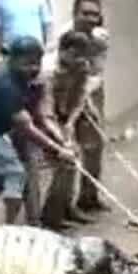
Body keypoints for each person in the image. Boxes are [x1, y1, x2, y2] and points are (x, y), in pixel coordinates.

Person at [0, 36, 77, 230]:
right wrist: (58, 151)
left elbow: (40, 116)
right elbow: (26, 128)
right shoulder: (5, 85)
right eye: (27, 63)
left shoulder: (23, 79)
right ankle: (9, 231)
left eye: (36, 62)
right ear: (13, 60)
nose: (33, 68)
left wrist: (61, 141)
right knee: (15, 174)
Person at [39, 30, 96, 230]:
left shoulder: (82, 66)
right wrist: (61, 138)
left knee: (73, 160)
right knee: (61, 162)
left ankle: (67, 208)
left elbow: (80, 97)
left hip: (64, 115)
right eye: (75, 55)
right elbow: (45, 110)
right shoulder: (47, 71)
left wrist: (70, 123)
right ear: (63, 51)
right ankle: (51, 216)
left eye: (82, 56)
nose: (79, 61)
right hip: (40, 116)